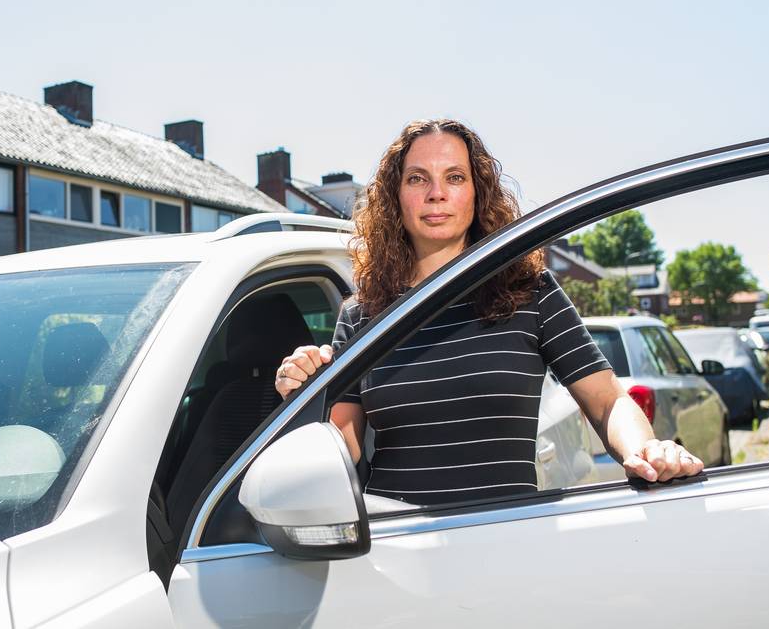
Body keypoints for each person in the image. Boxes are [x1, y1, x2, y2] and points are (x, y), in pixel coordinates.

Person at [274, 118, 703, 505]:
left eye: (454, 177)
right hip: (393, 548)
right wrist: (305, 394)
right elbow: (341, 447)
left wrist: (643, 451)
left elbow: (608, 401)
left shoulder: (529, 293)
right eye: (417, 178)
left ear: (477, 193)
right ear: (395, 197)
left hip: (502, 542)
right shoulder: (362, 314)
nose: (436, 193)